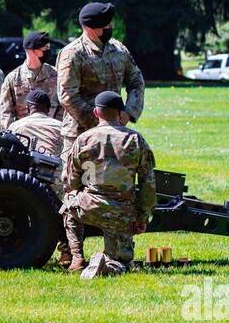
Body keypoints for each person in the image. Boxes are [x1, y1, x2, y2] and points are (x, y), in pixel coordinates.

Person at [60, 91, 157, 278]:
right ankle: (109, 262)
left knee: (68, 202)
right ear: (120, 113)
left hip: (89, 208)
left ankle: (77, 257)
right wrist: (142, 217)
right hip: (122, 214)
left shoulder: (83, 139)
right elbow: (148, 185)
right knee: (122, 262)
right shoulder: (136, 140)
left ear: (96, 113)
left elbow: (70, 181)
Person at [56, 1, 145, 156]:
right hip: (80, 135)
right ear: (89, 28)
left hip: (117, 133)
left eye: (110, 23)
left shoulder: (119, 49)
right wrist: (101, 121)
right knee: (77, 179)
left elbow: (136, 80)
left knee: (115, 178)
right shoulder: (72, 54)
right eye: (105, 25)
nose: (110, 27)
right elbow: (68, 96)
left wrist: (129, 112)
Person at [8, 89, 71, 268]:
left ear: (28, 108)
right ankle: (67, 251)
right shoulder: (60, 126)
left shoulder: (16, 126)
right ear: (48, 108)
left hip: (27, 182)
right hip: (56, 181)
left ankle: (19, 245)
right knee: (65, 212)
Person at [0, 31, 60, 127]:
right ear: (32, 51)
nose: (48, 51)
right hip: (24, 134)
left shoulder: (56, 75)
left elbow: (63, 107)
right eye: (45, 48)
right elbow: (6, 113)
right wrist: (10, 137)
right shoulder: (13, 78)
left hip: (51, 134)